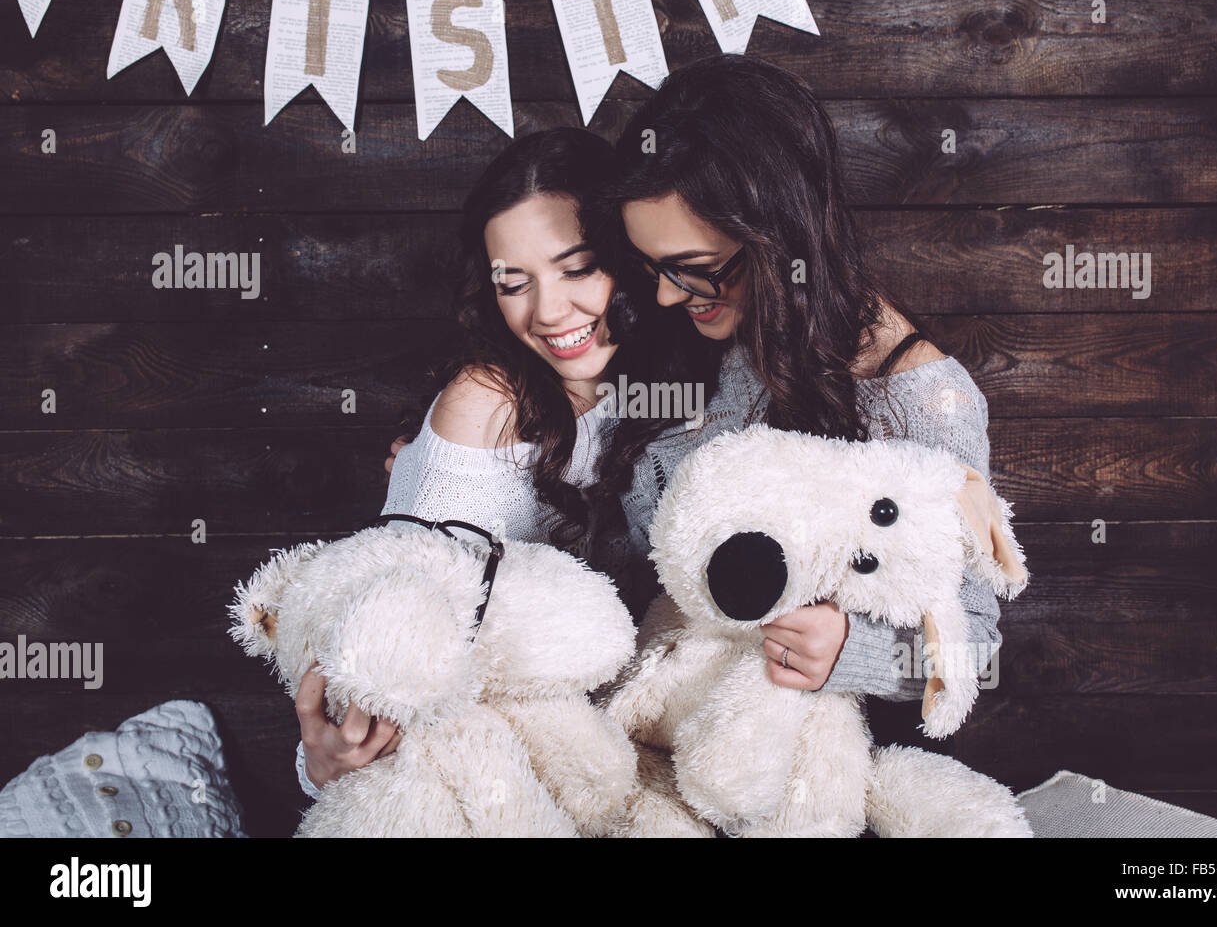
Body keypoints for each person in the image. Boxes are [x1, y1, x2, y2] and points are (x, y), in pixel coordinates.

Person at [587, 53, 1006, 755]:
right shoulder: (676, 335)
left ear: (781, 235)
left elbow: (979, 649)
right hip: (647, 731)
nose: (665, 294)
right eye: (651, 266)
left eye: (694, 269)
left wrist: (850, 649)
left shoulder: (923, 402)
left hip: (808, 768)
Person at [293, 128, 697, 797]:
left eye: (577, 267)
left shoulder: (685, 372)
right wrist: (325, 763)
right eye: (515, 283)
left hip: (643, 767)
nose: (548, 311)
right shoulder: (485, 406)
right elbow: (388, 648)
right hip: (499, 782)